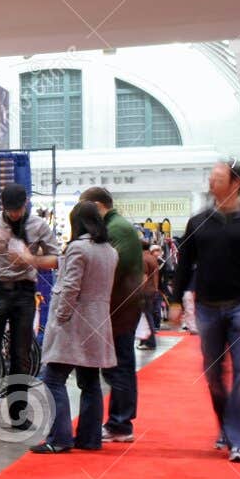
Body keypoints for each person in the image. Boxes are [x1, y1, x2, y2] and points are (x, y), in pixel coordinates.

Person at [168, 160, 240, 464]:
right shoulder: (199, 222)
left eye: (217, 178)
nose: (210, 182)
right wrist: (176, 301)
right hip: (207, 308)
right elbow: (184, 264)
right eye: (211, 177)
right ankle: (228, 430)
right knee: (214, 376)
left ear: (235, 183)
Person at [0, 182, 59, 431]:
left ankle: (17, 413)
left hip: (24, 293)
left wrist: (32, 259)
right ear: (2, 206)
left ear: (25, 203)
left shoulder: (38, 225)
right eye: (10, 210)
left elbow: (56, 259)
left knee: (21, 355)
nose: (14, 214)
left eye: (18, 209)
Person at [31, 201, 118, 454]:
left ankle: (59, 438)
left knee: (53, 378)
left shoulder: (78, 249)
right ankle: (90, 438)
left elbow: (70, 287)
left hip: (74, 323)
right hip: (98, 320)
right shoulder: (109, 250)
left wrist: (59, 317)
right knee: (90, 380)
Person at [78, 187, 144, 443]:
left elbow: (110, 270)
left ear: (96, 205)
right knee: (119, 366)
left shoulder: (116, 229)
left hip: (121, 308)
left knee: (120, 367)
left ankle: (120, 424)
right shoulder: (118, 227)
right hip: (120, 307)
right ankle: (119, 422)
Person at [138, 240, 164, 350]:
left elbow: (143, 278)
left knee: (147, 317)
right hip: (153, 290)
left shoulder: (143, 259)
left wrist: (138, 291)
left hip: (145, 291)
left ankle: (150, 342)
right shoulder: (152, 258)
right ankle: (144, 340)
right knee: (147, 316)